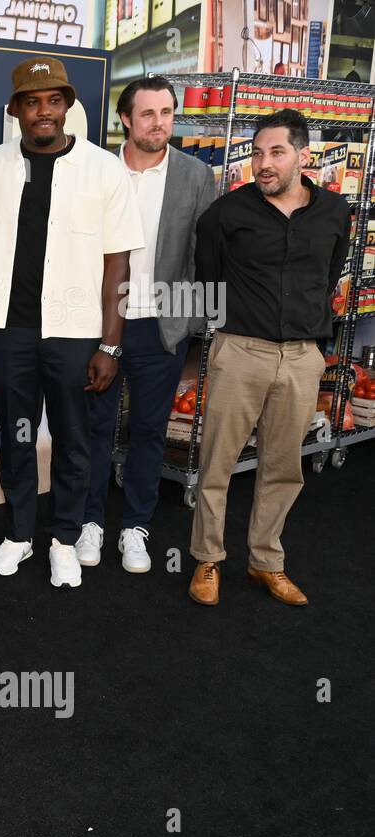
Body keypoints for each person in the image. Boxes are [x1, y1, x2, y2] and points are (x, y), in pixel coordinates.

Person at [0, 56, 144, 588]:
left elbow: (118, 260)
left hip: (77, 332)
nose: (43, 112)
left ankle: (65, 538)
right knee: (17, 435)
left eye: (54, 101)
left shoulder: (104, 168)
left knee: (75, 440)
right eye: (32, 102)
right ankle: (21, 532)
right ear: (16, 111)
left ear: (69, 107)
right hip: (11, 329)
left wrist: (111, 344)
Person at [188, 109, 349, 607]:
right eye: (257, 153)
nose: (264, 163)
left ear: (304, 156)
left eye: (276, 152)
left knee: (283, 467)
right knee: (217, 462)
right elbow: (208, 279)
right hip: (240, 352)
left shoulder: (335, 212)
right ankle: (208, 560)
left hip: (302, 359)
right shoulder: (226, 214)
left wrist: (309, 346)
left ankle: (266, 562)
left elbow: (329, 277)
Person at [76, 77, 215, 574]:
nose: (160, 123)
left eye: (167, 113)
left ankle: (135, 527)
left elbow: (203, 256)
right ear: (126, 120)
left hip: (162, 325)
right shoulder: (95, 170)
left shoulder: (196, 175)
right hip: (99, 323)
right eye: (149, 113)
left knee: (150, 429)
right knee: (93, 428)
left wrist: (188, 322)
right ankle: (89, 522)